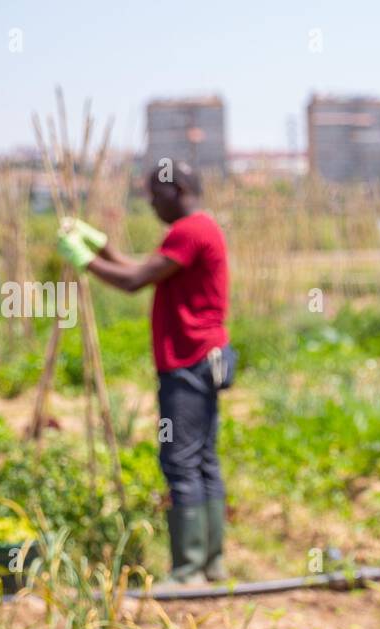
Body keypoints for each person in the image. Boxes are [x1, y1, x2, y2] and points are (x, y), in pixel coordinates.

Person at [57, 161, 233, 585]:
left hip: (187, 362)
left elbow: (135, 280)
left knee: (181, 461)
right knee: (203, 459)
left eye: (156, 195)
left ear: (178, 190)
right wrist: (99, 245)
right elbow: (146, 268)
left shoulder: (189, 231)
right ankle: (211, 563)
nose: (152, 204)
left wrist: (83, 261)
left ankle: (188, 569)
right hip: (205, 358)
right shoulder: (200, 229)